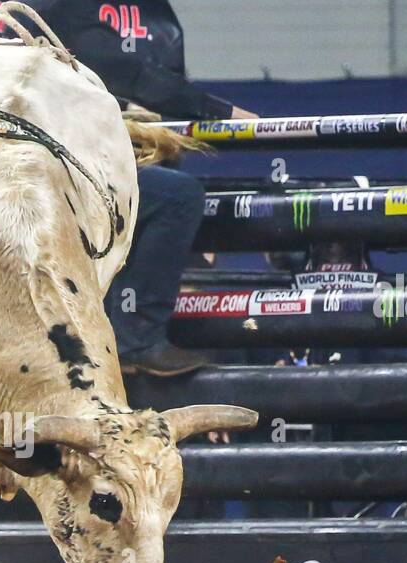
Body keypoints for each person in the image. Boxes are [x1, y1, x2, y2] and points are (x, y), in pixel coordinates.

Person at [15, 0, 257, 376]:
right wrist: (224, 112)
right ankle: (137, 339)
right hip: (49, 178)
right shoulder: (66, 15)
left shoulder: (16, 20)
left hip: (13, 172)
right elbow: (135, 75)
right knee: (178, 196)